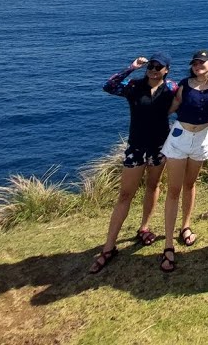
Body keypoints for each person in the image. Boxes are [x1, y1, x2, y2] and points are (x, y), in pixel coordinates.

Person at [89, 53, 177, 274]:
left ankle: (144, 227)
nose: (153, 70)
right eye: (151, 66)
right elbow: (109, 86)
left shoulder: (171, 88)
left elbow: (189, 98)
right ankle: (109, 246)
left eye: (158, 67)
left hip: (159, 147)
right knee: (125, 195)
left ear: (166, 70)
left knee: (153, 186)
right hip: (136, 147)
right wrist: (131, 68)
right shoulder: (134, 86)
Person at [156, 49, 208, 273]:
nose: (198, 66)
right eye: (195, 63)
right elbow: (171, 108)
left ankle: (186, 226)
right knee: (174, 190)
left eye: (202, 62)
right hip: (180, 136)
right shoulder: (184, 84)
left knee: (190, 185)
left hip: (201, 139)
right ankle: (168, 244)